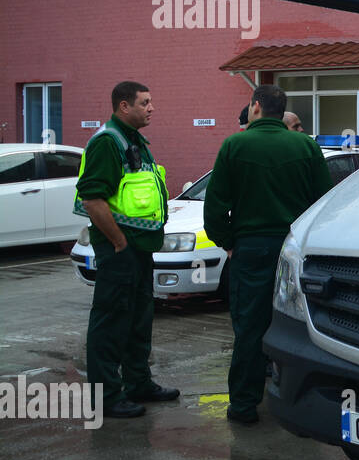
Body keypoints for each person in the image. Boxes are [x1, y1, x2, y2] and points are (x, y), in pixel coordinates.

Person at [204, 84, 332, 425]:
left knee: (249, 327)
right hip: (293, 250)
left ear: (255, 107)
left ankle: (244, 406)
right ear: (282, 111)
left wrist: (228, 242)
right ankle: (305, 400)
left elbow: (215, 208)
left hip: (251, 248)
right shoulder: (306, 147)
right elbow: (323, 204)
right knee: (301, 326)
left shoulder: (234, 145)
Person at [73, 81, 180, 418]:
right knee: (110, 322)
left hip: (139, 252)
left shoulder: (135, 141)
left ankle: (138, 383)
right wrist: (118, 242)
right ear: (123, 106)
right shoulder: (108, 142)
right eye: (144, 102)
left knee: (138, 319)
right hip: (120, 252)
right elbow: (92, 198)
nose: (151, 108)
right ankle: (106, 396)